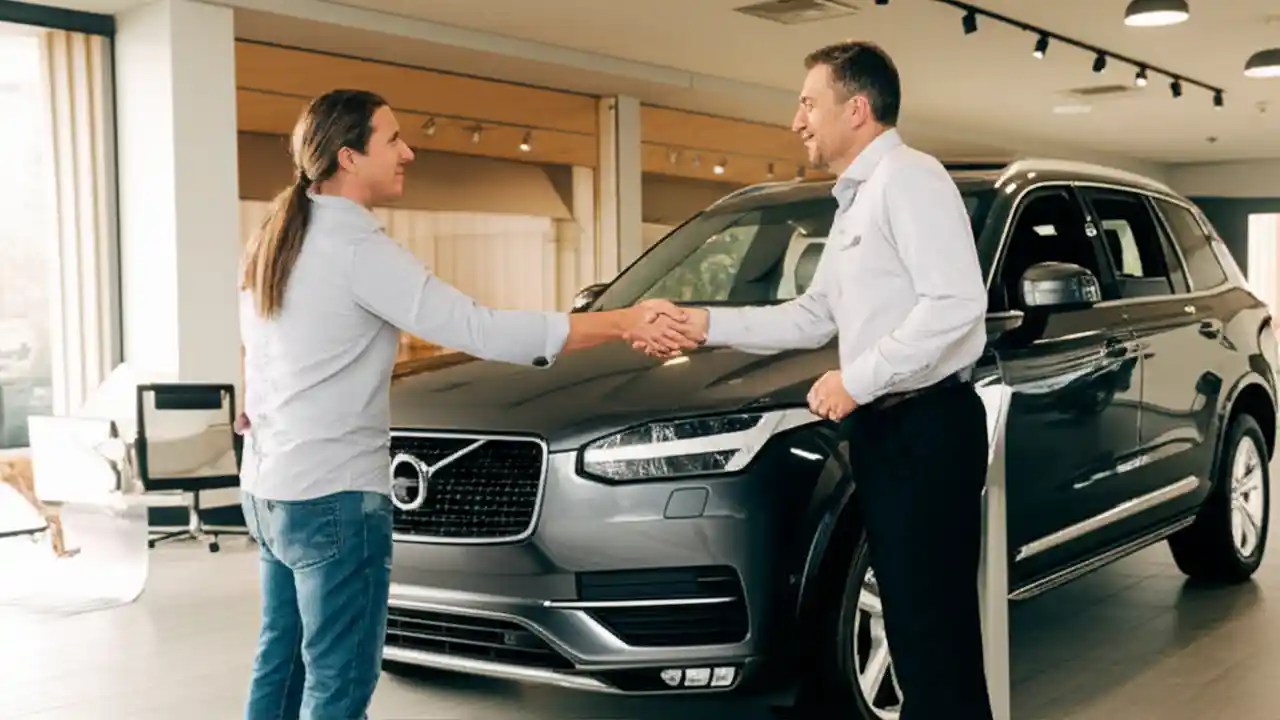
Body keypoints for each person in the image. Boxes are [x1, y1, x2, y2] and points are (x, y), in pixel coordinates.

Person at [235, 88, 701, 720]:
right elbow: (480, 329)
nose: (408, 151)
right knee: (337, 686)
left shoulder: (279, 236)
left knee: (281, 665)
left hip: (270, 491)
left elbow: (257, 354)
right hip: (333, 499)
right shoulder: (357, 251)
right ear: (348, 156)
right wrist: (618, 323)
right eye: (391, 138)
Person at [631, 41, 993, 719]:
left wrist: (858, 379)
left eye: (807, 102)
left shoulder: (910, 178)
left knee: (934, 639)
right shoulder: (856, 201)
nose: (796, 120)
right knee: (917, 639)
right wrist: (701, 322)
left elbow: (956, 304)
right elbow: (811, 315)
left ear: (855, 108)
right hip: (889, 432)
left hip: (925, 427)